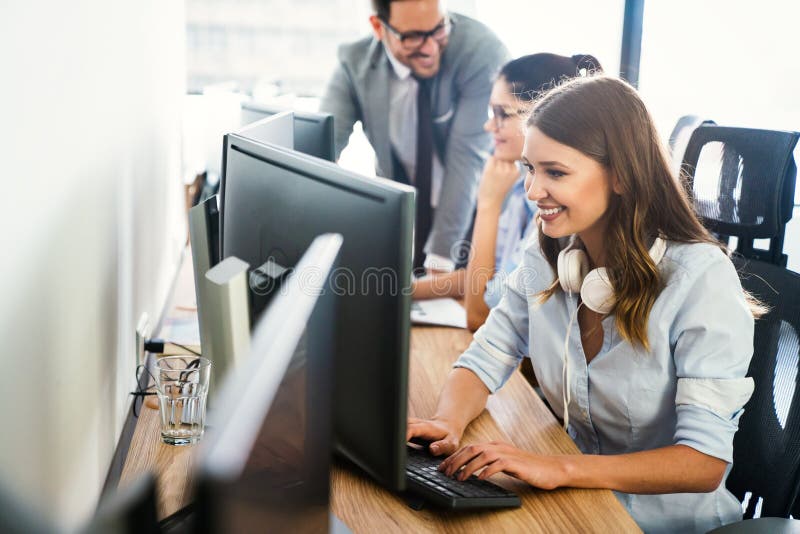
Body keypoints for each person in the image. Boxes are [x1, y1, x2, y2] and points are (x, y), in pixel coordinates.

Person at [406, 75, 760, 533]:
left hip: (665, 526)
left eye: (555, 172)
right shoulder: (548, 254)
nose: (533, 191)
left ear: (620, 175)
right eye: (531, 169)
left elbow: (704, 462)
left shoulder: (699, 281)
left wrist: (559, 468)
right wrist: (446, 423)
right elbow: (485, 356)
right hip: (577, 508)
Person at [413, 53, 602, 332]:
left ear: (544, 114)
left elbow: (481, 315)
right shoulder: (516, 188)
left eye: (502, 113)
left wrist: (488, 205)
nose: (490, 126)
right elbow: (488, 276)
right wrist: (402, 291)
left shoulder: (556, 209)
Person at [320, 0, 509, 273]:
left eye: (439, 28)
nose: (431, 48)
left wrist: (441, 260)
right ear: (378, 26)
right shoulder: (354, 64)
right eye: (413, 37)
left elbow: (466, 159)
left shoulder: (481, 51)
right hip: (405, 211)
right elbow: (322, 148)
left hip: (475, 210)